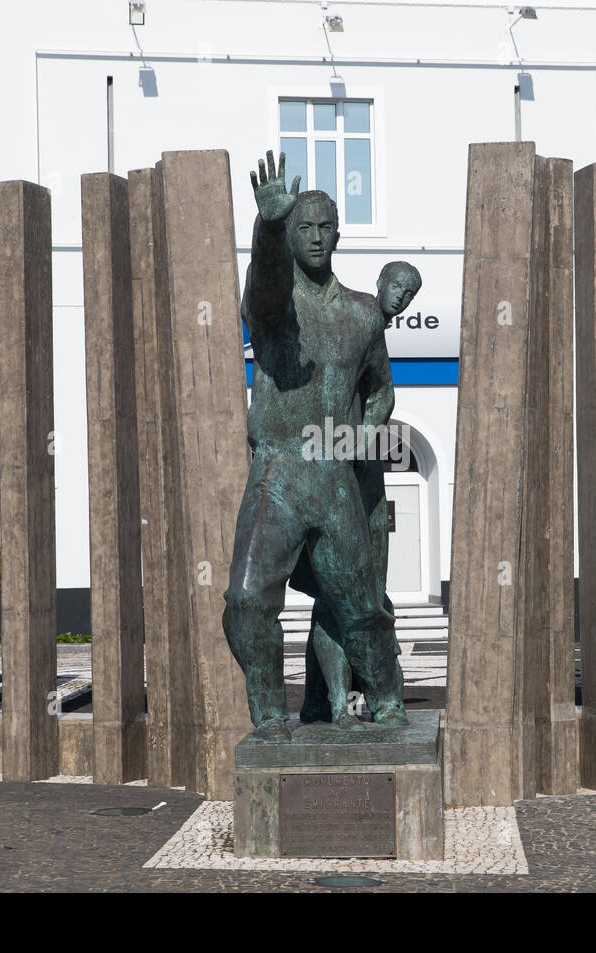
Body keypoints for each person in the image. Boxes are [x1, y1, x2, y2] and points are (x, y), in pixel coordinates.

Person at [222, 150, 407, 742]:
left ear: (339, 234)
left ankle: (386, 699)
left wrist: (366, 430)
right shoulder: (274, 309)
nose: (317, 238)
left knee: (361, 607)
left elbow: (381, 391)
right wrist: (269, 225)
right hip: (277, 472)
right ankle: (270, 714)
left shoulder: (362, 315)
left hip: (332, 477)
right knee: (247, 597)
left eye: (325, 227)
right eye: (305, 229)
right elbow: (265, 286)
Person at [297, 262, 422, 727]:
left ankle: (326, 700)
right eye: (398, 287)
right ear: (381, 283)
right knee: (339, 593)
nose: (401, 298)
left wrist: (363, 439)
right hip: (333, 470)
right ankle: (340, 700)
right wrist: (350, 444)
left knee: (357, 594)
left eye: (409, 294)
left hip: (359, 470)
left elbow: (383, 394)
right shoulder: (361, 315)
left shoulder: (371, 327)